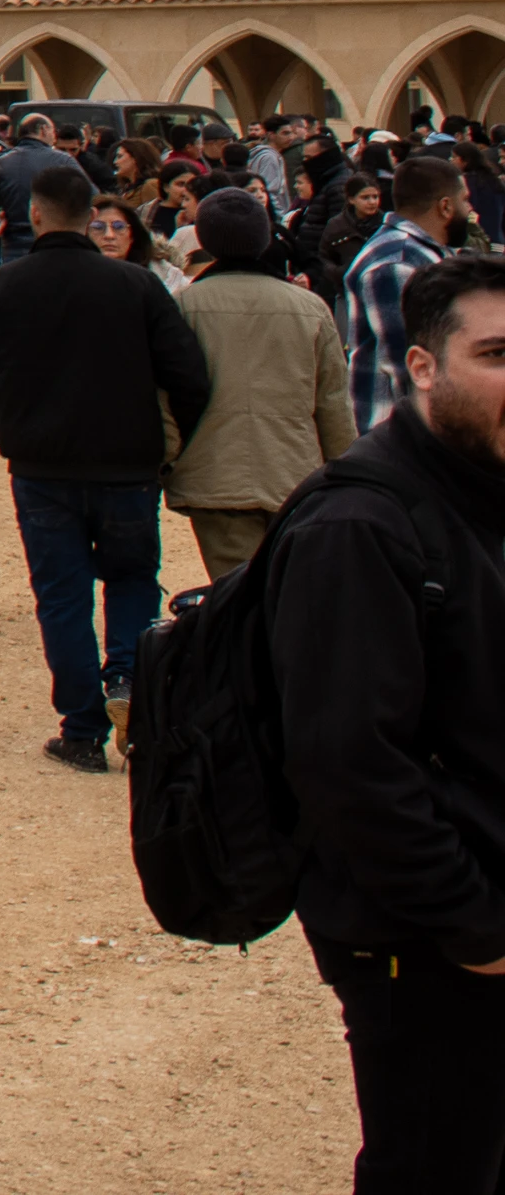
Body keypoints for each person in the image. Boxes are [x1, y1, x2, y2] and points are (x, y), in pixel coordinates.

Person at [276, 246, 505, 1190]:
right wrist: (476, 928)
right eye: (495, 354)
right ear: (422, 365)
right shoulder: (358, 525)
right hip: (425, 941)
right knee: (436, 1164)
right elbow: (349, 766)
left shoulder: (479, 491)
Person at [0, 165, 216, 770]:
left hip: (42, 467)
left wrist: (17, 429)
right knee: (132, 579)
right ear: (88, 218)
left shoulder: (2, 287)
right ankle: (128, 683)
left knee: (62, 595)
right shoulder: (135, 286)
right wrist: (168, 442)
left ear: (36, 214)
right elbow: (188, 376)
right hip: (127, 463)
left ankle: (81, 729)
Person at [163, 188, 353, 586]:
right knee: (291, 587)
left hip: (214, 469)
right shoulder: (310, 307)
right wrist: (347, 476)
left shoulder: (183, 306)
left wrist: (167, 458)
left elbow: (165, 394)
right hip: (295, 470)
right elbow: (333, 402)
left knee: (235, 593)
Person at [342, 154, 474, 436]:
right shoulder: (396, 262)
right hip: (400, 437)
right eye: (465, 200)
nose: (471, 209)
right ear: (446, 207)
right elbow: (407, 367)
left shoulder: (422, 253)